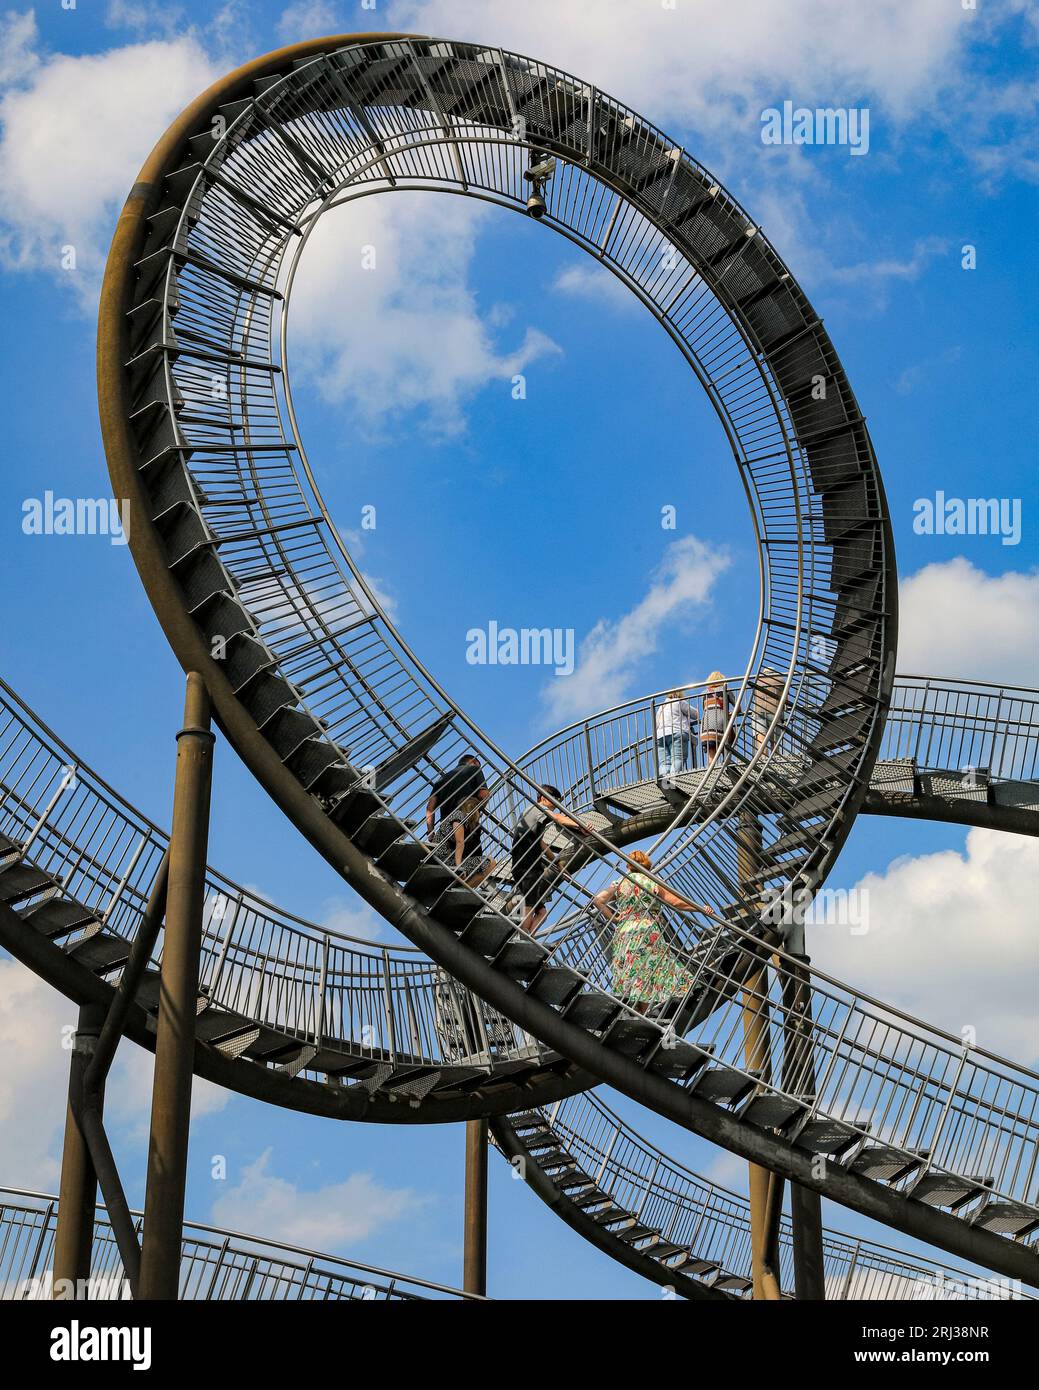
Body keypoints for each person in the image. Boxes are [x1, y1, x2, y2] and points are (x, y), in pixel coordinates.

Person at [593, 849, 718, 1014]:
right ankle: (677, 996)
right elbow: (675, 902)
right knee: (653, 968)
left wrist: (615, 918)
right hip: (646, 930)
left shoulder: (621, 882)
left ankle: (639, 1013)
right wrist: (700, 908)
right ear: (646, 864)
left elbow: (598, 899)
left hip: (624, 932)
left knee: (632, 973)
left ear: (629, 865)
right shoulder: (651, 881)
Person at [512, 784, 582, 935]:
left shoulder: (536, 819)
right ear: (543, 798)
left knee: (542, 912)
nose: (556, 805)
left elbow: (541, 843)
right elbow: (558, 818)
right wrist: (581, 826)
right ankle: (520, 937)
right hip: (526, 865)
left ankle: (528, 937)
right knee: (529, 906)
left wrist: (557, 863)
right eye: (555, 800)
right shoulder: (536, 808)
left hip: (528, 864)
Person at [426, 755, 488, 873]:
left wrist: (430, 832)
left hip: (446, 831)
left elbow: (430, 808)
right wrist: (478, 810)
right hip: (466, 825)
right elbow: (483, 794)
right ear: (473, 762)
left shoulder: (441, 779)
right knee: (478, 865)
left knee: (456, 865)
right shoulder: (474, 769)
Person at [655, 688, 698, 777]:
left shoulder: (661, 707)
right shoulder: (679, 702)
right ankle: (673, 781)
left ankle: (665, 783)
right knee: (677, 758)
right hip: (676, 732)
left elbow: (656, 723)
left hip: (660, 736)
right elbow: (695, 714)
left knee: (664, 763)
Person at [700, 671, 732, 765]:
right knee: (726, 746)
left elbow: (704, 708)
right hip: (721, 722)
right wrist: (730, 713)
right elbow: (738, 708)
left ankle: (711, 774)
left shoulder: (704, 693)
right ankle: (727, 768)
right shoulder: (725, 690)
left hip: (706, 724)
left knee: (711, 754)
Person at [753, 667, 783, 752]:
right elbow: (785, 699)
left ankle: (763, 759)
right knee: (774, 742)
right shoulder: (780, 680)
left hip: (758, 712)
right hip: (775, 712)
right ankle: (776, 760)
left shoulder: (757, 681)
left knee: (762, 740)